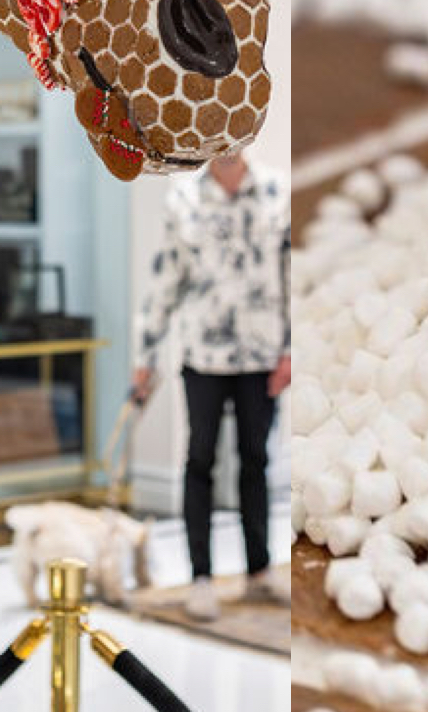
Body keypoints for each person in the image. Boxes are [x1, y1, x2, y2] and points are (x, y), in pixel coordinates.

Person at [132, 150, 290, 620]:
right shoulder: (182, 197)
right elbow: (166, 281)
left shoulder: (278, 191)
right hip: (201, 356)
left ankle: (259, 569)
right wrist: (146, 356)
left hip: (262, 357)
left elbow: (291, 275)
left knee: (256, 460)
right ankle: (200, 576)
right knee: (199, 460)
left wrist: (291, 350)